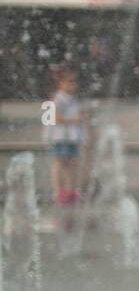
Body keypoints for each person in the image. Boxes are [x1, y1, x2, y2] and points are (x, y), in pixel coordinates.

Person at [45, 65, 85, 206]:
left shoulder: (72, 99)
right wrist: (73, 120)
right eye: (69, 81)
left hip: (72, 137)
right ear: (60, 83)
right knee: (60, 162)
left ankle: (70, 190)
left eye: (74, 81)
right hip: (61, 137)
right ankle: (58, 191)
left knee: (72, 163)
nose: (73, 84)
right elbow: (53, 118)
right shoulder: (58, 99)